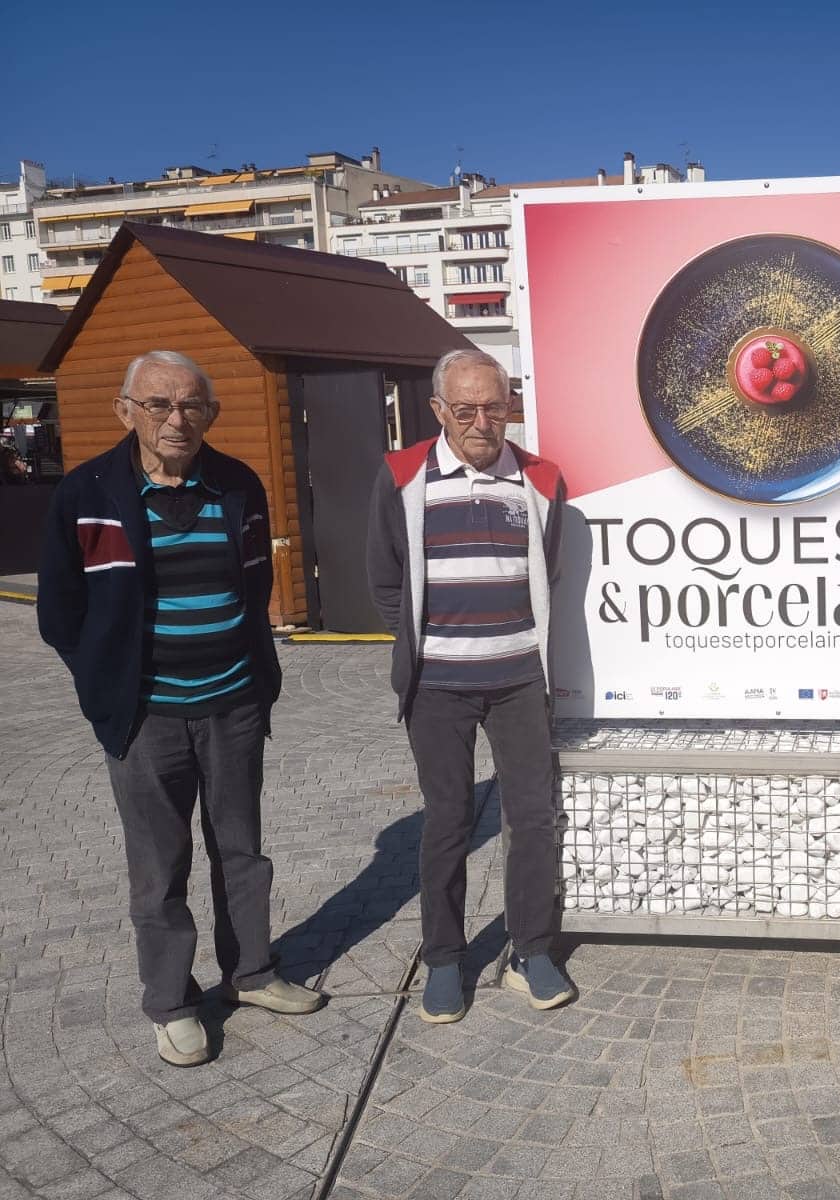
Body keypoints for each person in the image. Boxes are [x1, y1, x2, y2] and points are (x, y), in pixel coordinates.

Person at [36, 350, 325, 1069]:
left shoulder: (237, 485)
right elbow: (59, 611)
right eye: (159, 404)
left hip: (232, 703)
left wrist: (251, 675)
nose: (176, 419)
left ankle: (251, 973)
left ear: (211, 415)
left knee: (242, 852)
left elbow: (252, 587)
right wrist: (105, 683)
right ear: (125, 410)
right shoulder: (87, 492)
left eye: (193, 405)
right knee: (158, 864)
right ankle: (170, 1001)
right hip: (144, 716)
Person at [367, 348, 572, 1023]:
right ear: (437, 411)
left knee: (535, 819)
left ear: (511, 404)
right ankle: (445, 960)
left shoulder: (542, 480)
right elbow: (386, 584)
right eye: (465, 410)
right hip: (439, 687)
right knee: (448, 823)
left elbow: (550, 573)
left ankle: (532, 950)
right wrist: (428, 649)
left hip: (518, 678)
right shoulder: (401, 476)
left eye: (495, 406)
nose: (482, 422)